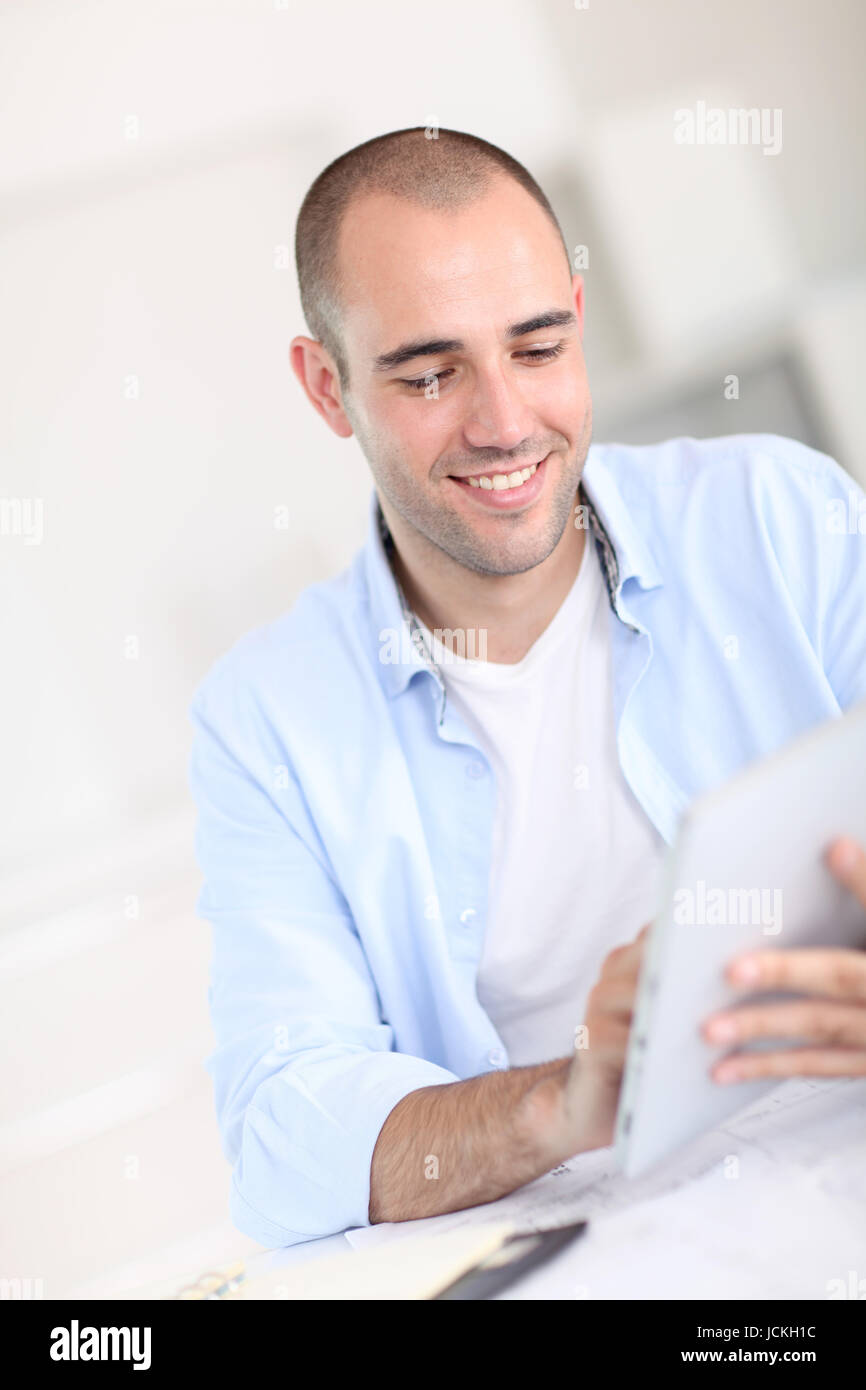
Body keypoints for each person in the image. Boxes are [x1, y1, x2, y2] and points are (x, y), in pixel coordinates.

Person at [188, 126, 866, 1249]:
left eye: (538, 348)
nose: (505, 425)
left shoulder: (779, 517)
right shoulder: (266, 719)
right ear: (327, 386)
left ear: (576, 322)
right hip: (596, 1241)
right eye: (429, 373)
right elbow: (282, 1134)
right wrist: (567, 1099)